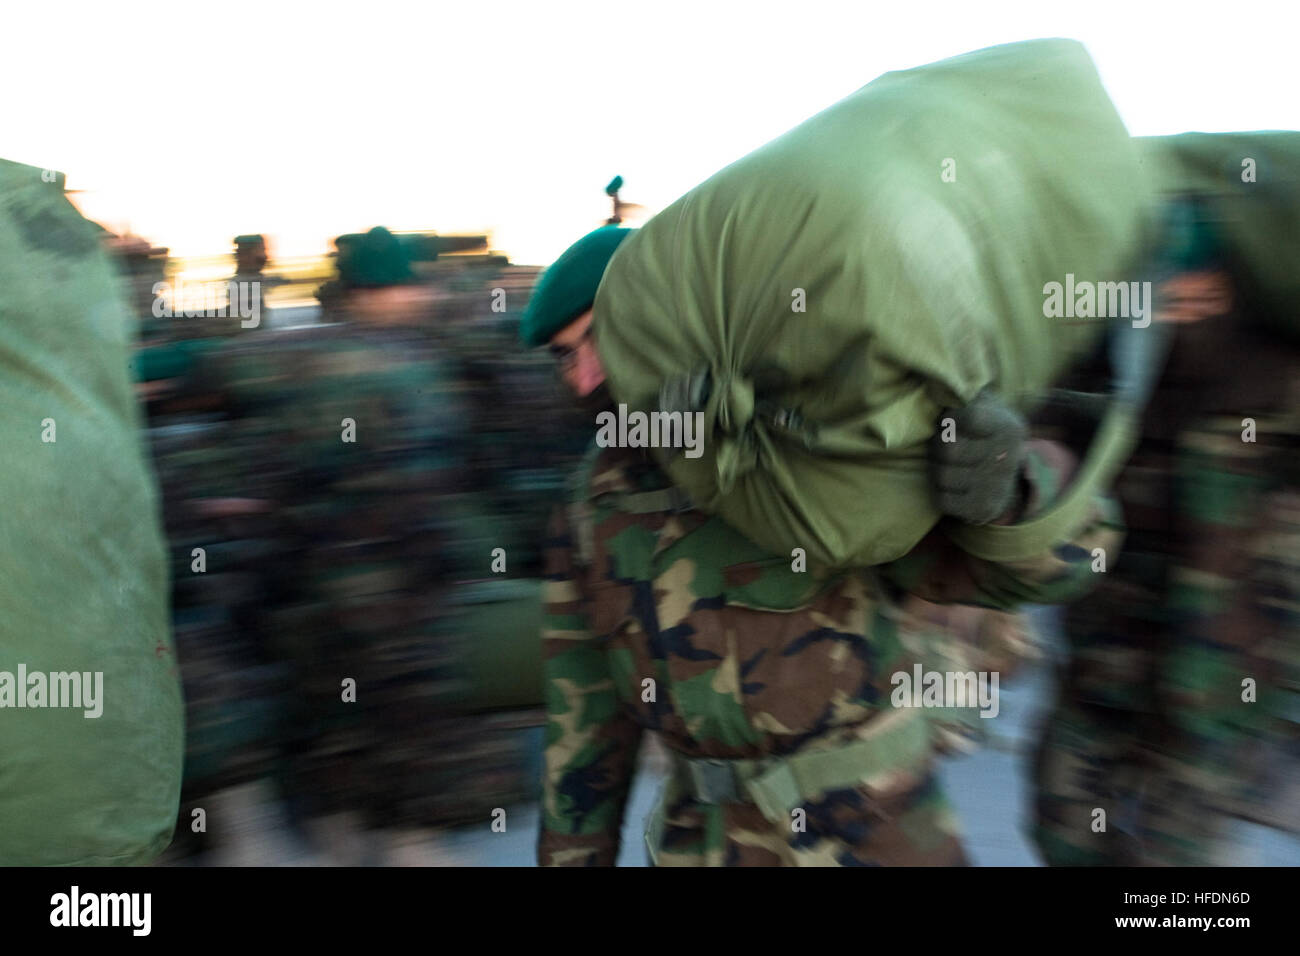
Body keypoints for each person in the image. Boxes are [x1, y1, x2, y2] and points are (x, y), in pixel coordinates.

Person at [525, 226, 1124, 866]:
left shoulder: (814, 438)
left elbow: (1065, 563)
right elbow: (583, 720)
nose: (586, 378)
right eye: (565, 357)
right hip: (701, 844)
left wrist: (1009, 497)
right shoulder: (593, 501)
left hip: (874, 836)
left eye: (598, 340)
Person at [1031, 197, 1300, 866]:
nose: (1181, 303)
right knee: (1064, 834)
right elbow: (1044, 448)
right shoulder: (1102, 380)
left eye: (1200, 286)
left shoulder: (1276, 386)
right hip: (1103, 671)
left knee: (1175, 873)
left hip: (1223, 695)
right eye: (1165, 289)